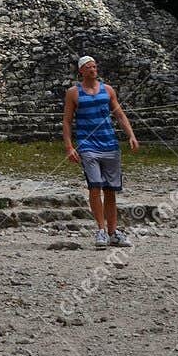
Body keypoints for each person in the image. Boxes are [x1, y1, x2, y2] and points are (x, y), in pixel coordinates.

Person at [63, 55, 139, 249]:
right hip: (88, 146)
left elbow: (119, 114)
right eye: (88, 67)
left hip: (110, 145)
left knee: (111, 190)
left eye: (95, 66)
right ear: (81, 71)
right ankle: (101, 230)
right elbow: (67, 121)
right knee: (94, 187)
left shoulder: (108, 90)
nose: (93, 69)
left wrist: (130, 134)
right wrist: (69, 146)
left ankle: (113, 232)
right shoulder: (74, 93)